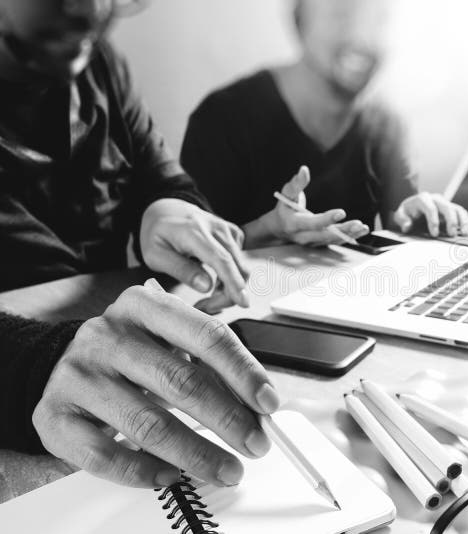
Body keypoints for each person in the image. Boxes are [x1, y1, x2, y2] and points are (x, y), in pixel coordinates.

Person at [0, 0, 279, 488]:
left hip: (113, 373)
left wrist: (165, 209)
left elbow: (159, 174)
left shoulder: (100, 63)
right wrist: (36, 367)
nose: (94, 10)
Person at [181, 0, 468, 251]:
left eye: (379, 18)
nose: (362, 36)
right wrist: (266, 231)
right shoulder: (224, 117)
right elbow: (185, 259)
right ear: (300, 18)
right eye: (342, 13)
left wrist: (419, 219)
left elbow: (400, 223)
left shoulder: (388, 123)